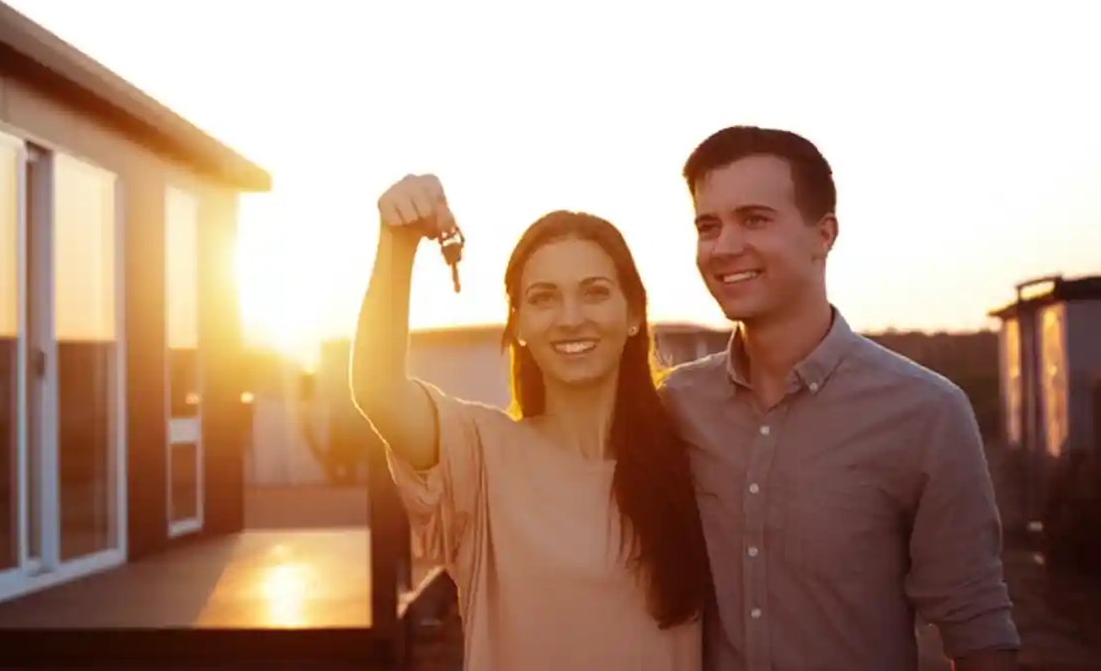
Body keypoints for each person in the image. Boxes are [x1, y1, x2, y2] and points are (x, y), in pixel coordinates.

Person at [663, 125, 1021, 670]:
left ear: (824, 234)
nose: (725, 246)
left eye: (755, 219)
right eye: (708, 226)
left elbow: (975, 622)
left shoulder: (925, 412)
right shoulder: (674, 406)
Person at [350, 174, 710, 670]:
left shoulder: (696, 450)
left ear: (633, 314)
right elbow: (378, 390)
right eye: (543, 298)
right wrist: (399, 241)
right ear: (517, 325)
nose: (570, 317)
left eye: (595, 292)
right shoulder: (480, 456)